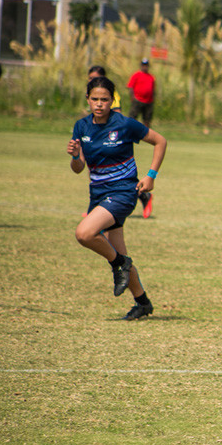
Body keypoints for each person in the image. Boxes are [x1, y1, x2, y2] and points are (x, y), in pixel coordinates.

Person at [67, 75, 167, 320]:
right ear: (87, 99)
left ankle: (119, 264)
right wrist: (75, 156)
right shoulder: (81, 127)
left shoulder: (125, 124)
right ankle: (142, 302)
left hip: (123, 192)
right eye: (95, 99)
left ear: (112, 100)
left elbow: (160, 141)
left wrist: (151, 176)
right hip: (98, 195)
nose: (99, 104)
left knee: (84, 233)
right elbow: (78, 169)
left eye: (104, 99)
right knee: (118, 251)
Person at [89, 65, 152, 219]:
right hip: (97, 136)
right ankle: (95, 207)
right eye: (89, 78)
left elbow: (117, 113)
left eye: (94, 78)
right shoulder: (92, 92)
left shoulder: (110, 93)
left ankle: (142, 196)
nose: (90, 80)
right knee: (97, 173)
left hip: (110, 138)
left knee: (116, 176)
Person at [126, 58, 155, 127]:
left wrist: (152, 99)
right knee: (133, 117)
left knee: (147, 119)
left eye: (146, 65)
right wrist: (133, 98)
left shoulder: (151, 77)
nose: (145, 67)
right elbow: (130, 87)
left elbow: (153, 89)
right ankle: (130, 130)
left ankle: (146, 132)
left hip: (148, 101)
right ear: (141, 66)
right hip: (138, 100)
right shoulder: (136, 75)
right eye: (143, 65)